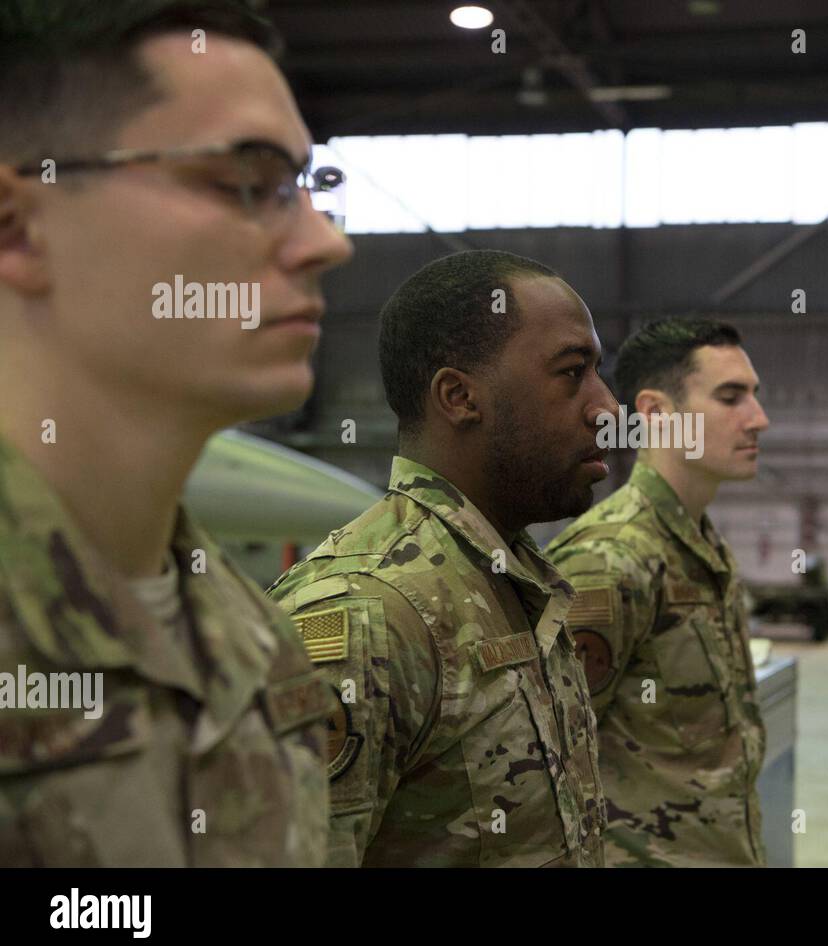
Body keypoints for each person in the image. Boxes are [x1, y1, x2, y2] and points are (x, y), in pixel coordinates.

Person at [0, 0, 354, 864]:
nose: (324, 243)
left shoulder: (252, 648)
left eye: (310, 188)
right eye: (245, 181)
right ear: (17, 227)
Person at [269, 250, 614, 866]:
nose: (606, 408)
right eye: (571, 372)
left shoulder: (515, 584)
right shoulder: (365, 615)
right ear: (458, 396)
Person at [546, 318, 770, 866]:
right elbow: (549, 763)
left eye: (754, 396)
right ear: (656, 413)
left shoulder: (703, 546)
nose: (759, 419)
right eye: (730, 397)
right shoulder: (609, 559)